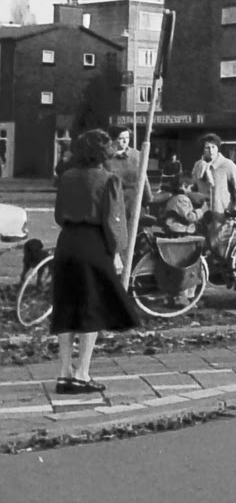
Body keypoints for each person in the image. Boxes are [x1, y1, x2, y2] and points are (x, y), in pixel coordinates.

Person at [50, 129, 142, 394]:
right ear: (103, 152)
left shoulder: (66, 177)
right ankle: (82, 373)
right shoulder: (108, 179)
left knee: (65, 307)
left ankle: (64, 373)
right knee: (91, 308)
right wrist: (117, 253)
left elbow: (58, 215)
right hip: (94, 244)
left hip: (66, 243)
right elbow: (113, 220)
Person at [190, 133, 236, 236]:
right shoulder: (198, 166)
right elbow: (193, 187)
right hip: (204, 213)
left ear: (218, 148)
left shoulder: (228, 165)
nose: (211, 150)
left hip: (222, 213)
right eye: (207, 148)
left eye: (213, 147)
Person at [105, 127, 152, 232]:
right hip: (114, 199)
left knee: (135, 231)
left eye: (127, 137)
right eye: (121, 138)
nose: (125, 141)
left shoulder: (136, 155)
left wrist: (147, 200)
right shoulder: (105, 157)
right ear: (113, 139)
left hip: (133, 200)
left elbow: (143, 177)